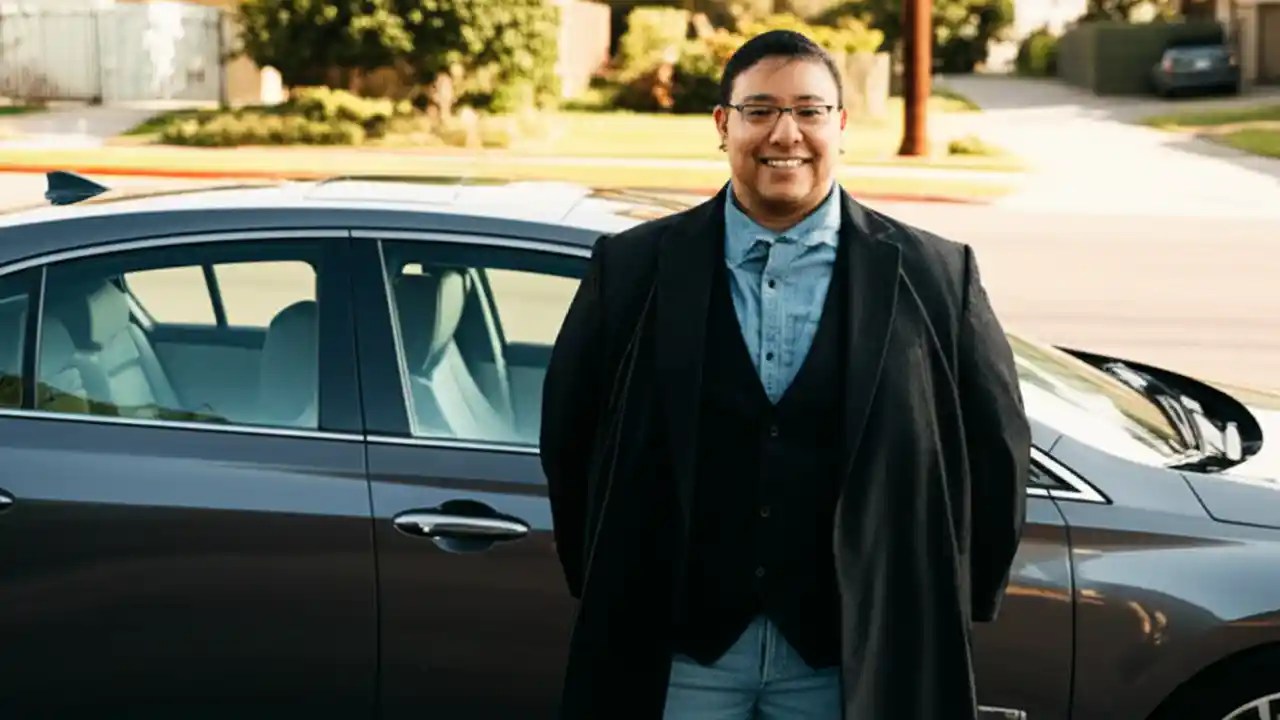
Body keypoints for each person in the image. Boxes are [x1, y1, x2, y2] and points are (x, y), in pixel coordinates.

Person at [539, 28, 1031, 720]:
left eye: (809, 110)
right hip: (679, 658)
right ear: (722, 125)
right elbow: (570, 433)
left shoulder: (936, 275)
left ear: (841, 124)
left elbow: (997, 448)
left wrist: (955, 597)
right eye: (760, 109)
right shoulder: (631, 268)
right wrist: (604, 575)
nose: (785, 133)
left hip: (852, 659)